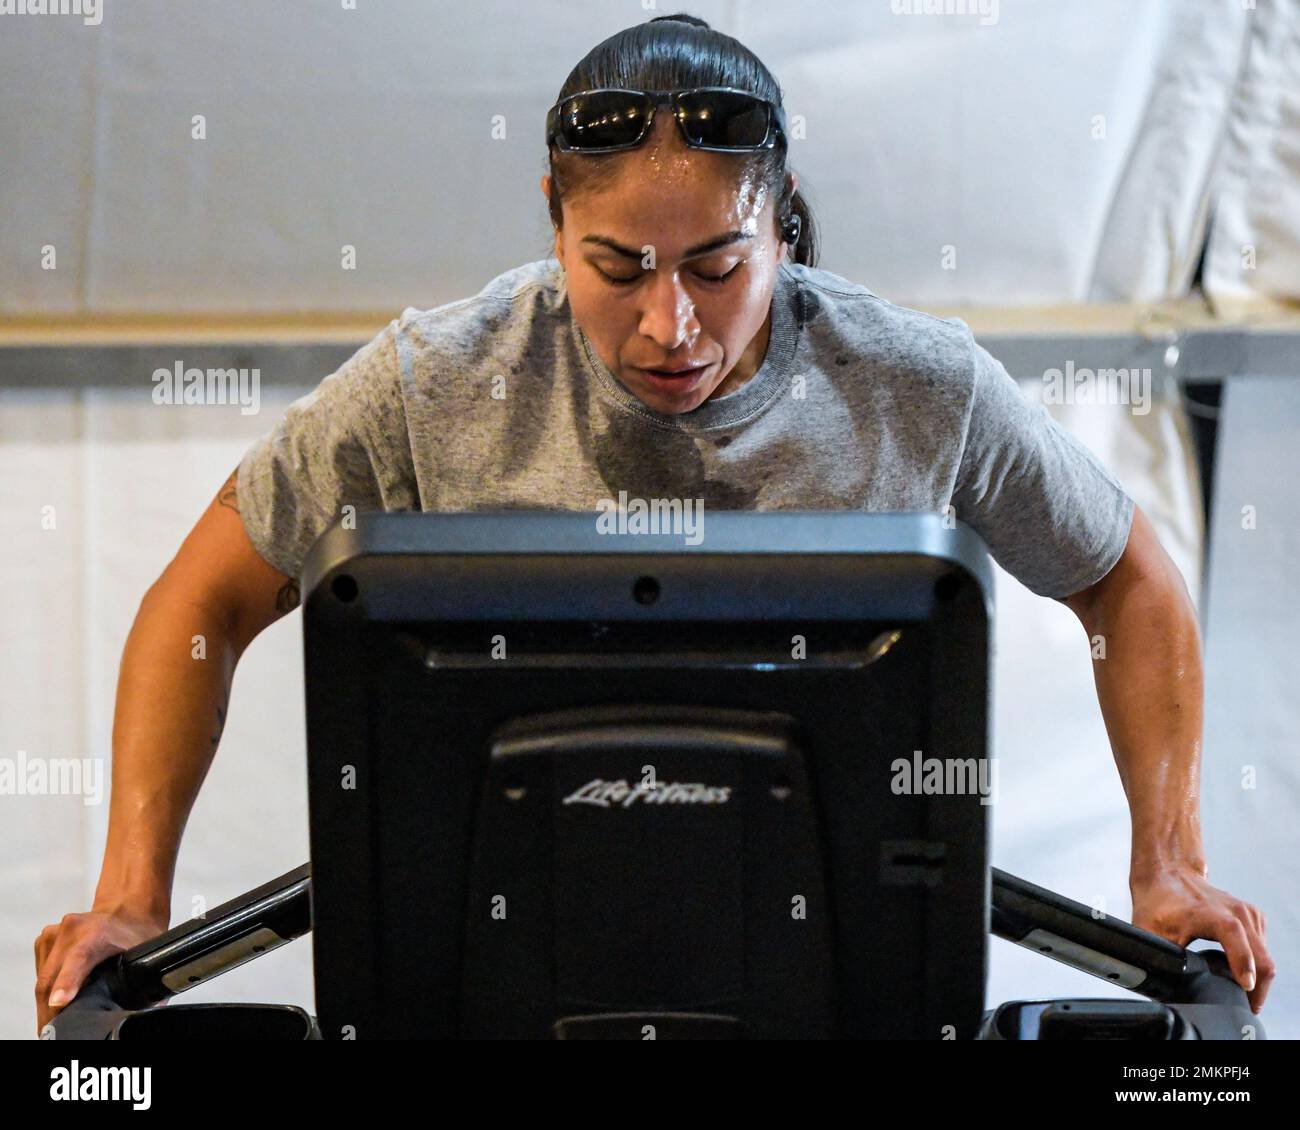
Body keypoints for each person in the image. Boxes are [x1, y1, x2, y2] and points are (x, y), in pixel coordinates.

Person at [34, 12, 1273, 1033]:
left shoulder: (915, 384)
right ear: (552, 222)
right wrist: (132, 898)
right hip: (491, 996)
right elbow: (197, 601)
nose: (669, 323)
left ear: (780, 215)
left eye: (719, 266)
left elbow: (1129, 579)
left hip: (840, 1001)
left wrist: (1163, 864)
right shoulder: (434, 381)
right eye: (616, 265)